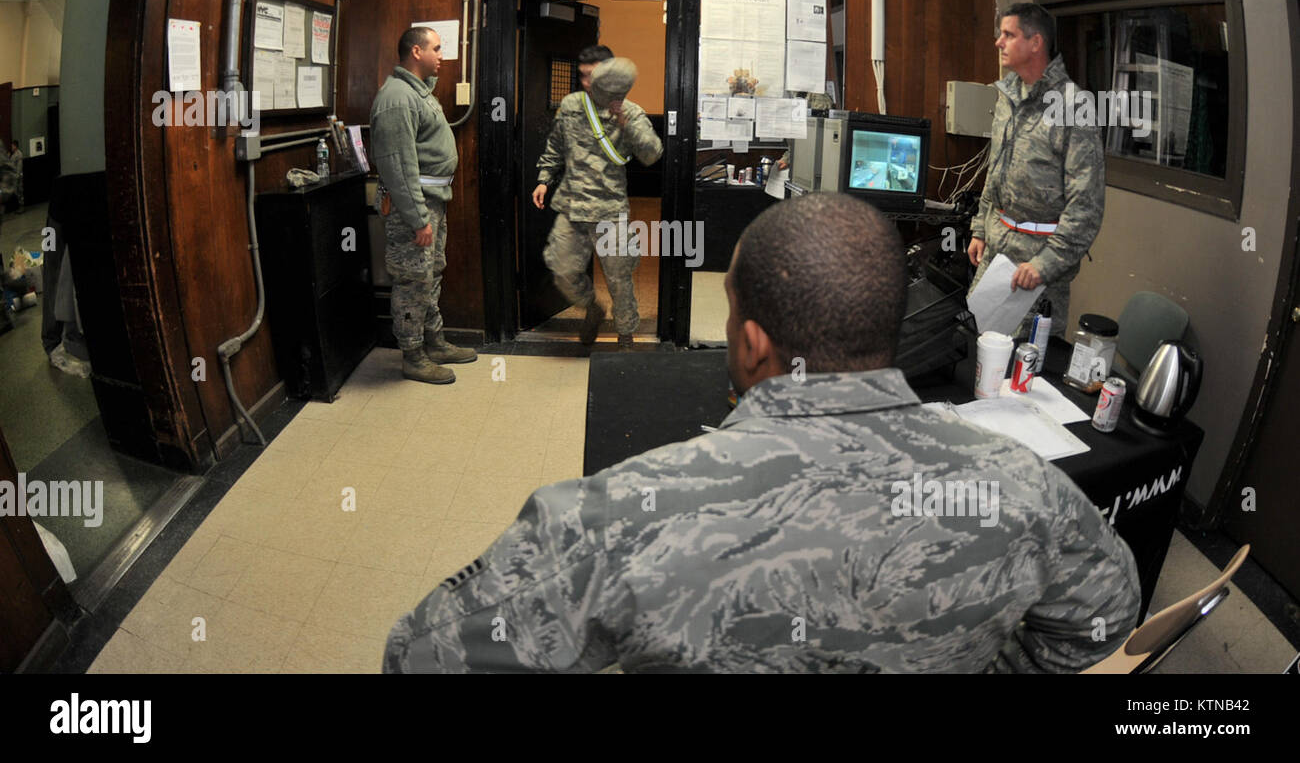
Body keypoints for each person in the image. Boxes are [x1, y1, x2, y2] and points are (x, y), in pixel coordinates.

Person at [384, 193, 1140, 673]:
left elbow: (419, 656)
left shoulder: (613, 520)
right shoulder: (1026, 488)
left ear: (750, 344)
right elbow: (1103, 620)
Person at [967, 2, 1105, 337]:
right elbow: (996, 168)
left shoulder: (1073, 106)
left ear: (1035, 43)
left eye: (1008, 34)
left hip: (1035, 267)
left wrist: (1045, 265)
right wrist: (980, 228)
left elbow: (1086, 207)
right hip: (995, 254)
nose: (999, 42)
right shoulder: (1008, 97)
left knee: (1021, 361)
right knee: (972, 343)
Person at [532, 48, 662, 349]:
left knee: (619, 278)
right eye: (583, 76)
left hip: (609, 210)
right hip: (572, 205)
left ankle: (625, 333)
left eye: (594, 76)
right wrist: (544, 178)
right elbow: (556, 145)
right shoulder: (571, 105)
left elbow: (651, 154)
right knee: (562, 269)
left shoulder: (630, 111)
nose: (587, 82)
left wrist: (624, 122)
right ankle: (592, 307)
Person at [370, 26, 476, 384]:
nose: (442, 55)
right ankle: (413, 356)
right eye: (437, 48)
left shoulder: (418, 91)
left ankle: (435, 342)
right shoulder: (397, 98)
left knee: (430, 274)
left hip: (432, 204)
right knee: (412, 280)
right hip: (413, 210)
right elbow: (397, 167)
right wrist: (417, 219)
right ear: (416, 51)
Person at [7, 141, 23, 214]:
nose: (11, 147)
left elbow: (19, 166)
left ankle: (21, 208)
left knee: (19, 192)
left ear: (15, 146)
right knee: (16, 192)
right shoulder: (13, 154)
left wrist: (17, 176)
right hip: (13, 177)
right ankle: (17, 207)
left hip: (17, 177)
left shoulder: (18, 154)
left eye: (12, 146)